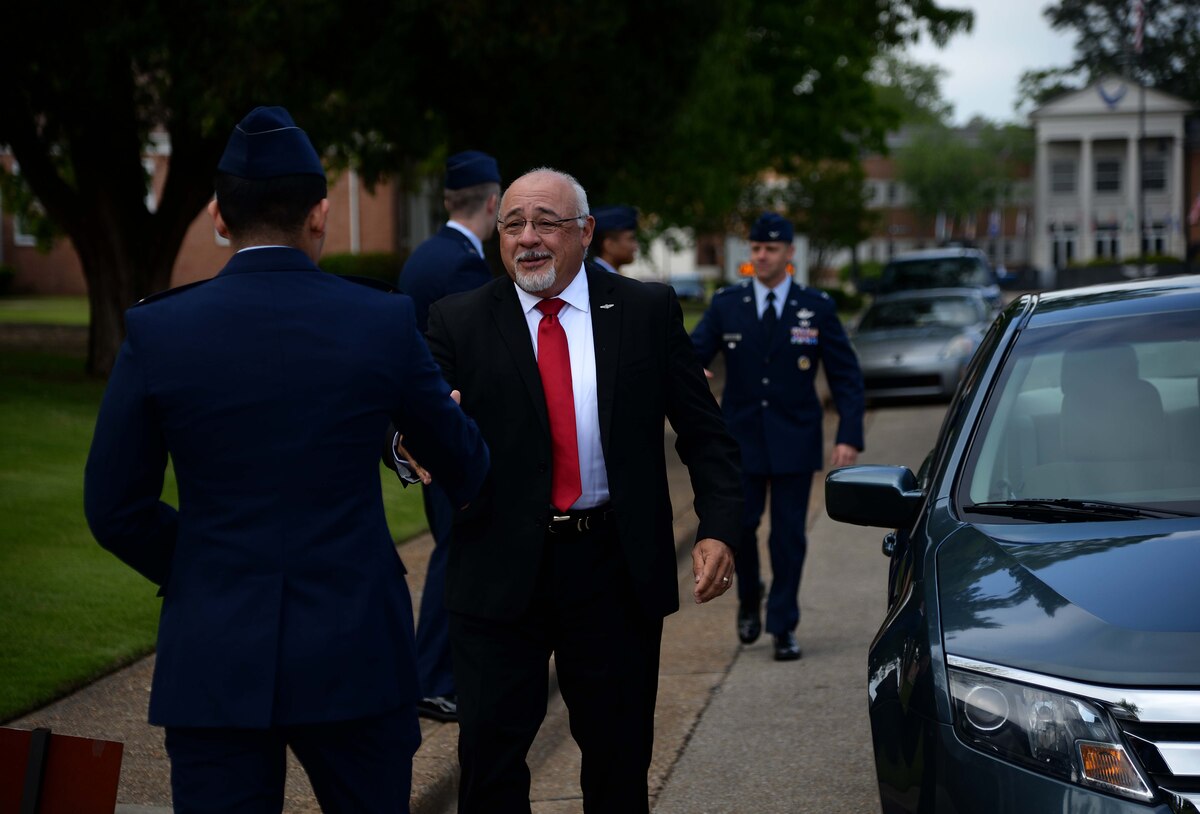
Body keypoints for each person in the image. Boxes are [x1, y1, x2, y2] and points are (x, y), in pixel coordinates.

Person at [83, 106, 490, 814]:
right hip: (355, 640)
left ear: (217, 216)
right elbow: (467, 465)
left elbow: (114, 508)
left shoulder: (158, 330)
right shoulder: (381, 320)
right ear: (320, 215)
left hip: (215, 646)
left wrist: (205, 561)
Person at [421, 168, 742, 813]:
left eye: (547, 222)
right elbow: (412, 424)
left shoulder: (646, 311)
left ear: (586, 232)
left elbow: (704, 433)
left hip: (613, 569)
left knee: (618, 762)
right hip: (499, 569)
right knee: (489, 764)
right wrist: (410, 445)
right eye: (513, 224)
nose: (528, 239)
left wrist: (718, 527)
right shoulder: (458, 322)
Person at [690, 211, 864, 662]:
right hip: (741, 440)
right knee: (741, 529)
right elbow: (692, 352)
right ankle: (750, 597)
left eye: (769, 249)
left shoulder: (816, 306)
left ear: (789, 253)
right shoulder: (728, 304)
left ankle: (783, 625)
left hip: (794, 439)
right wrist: (690, 368)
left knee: (787, 537)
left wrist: (848, 433)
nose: (761, 256)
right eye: (755, 248)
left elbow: (845, 375)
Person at [396, 149, 501, 723]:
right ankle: (434, 678)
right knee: (455, 555)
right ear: (492, 203)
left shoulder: (428, 254)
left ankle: (437, 673)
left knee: (453, 551)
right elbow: (468, 358)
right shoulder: (461, 265)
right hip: (445, 429)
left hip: (427, 425)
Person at [587, 204, 638, 274]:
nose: (635, 247)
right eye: (630, 239)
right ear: (609, 245)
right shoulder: (600, 279)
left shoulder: (599, 274)